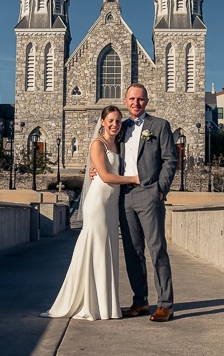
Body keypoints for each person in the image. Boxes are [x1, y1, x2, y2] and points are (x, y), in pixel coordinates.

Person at [40, 105, 140, 320]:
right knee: (96, 248)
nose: (114, 124)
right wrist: (134, 179)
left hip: (112, 203)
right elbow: (105, 176)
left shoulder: (117, 144)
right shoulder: (97, 144)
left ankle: (106, 304)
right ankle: (91, 304)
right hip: (99, 202)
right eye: (110, 120)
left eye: (118, 121)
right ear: (102, 122)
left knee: (108, 250)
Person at [92, 83, 177, 322]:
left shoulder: (159, 126)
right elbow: (105, 153)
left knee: (157, 249)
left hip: (149, 194)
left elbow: (170, 160)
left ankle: (165, 304)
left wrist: (160, 190)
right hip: (124, 196)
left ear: (146, 101)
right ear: (126, 101)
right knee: (132, 251)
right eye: (131, 99)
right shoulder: (121, 127)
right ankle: (140, 301)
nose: (135, 103)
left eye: (140, 99)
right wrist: (94, 170)